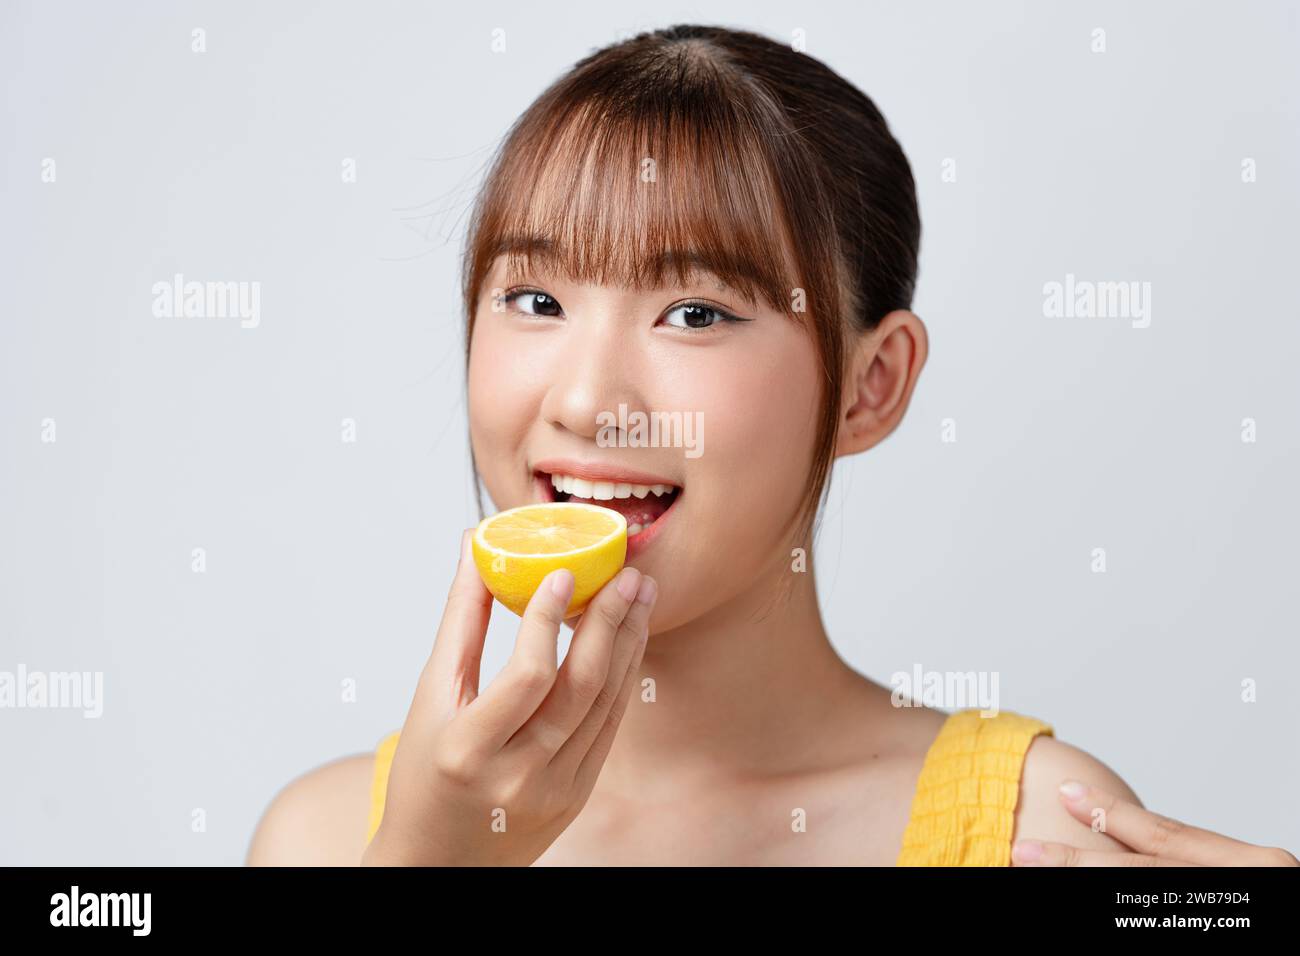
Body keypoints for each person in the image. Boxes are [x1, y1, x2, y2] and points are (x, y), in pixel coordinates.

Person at [247, 24, 1296, 867]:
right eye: (535, 298)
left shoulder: (1041, 830)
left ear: (868, 386)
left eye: (697, 313)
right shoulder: (331, 838)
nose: (584, 397)